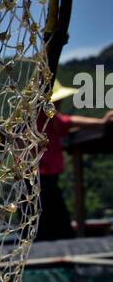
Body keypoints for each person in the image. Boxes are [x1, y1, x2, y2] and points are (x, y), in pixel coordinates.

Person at [37, 80, 113, 240]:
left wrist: (101, 122)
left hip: (49, 180)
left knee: (57, 223)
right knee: (46, 224)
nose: (60, 102)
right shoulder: (38, 118)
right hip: (38, 180)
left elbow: (71, 121)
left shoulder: (53, 119)